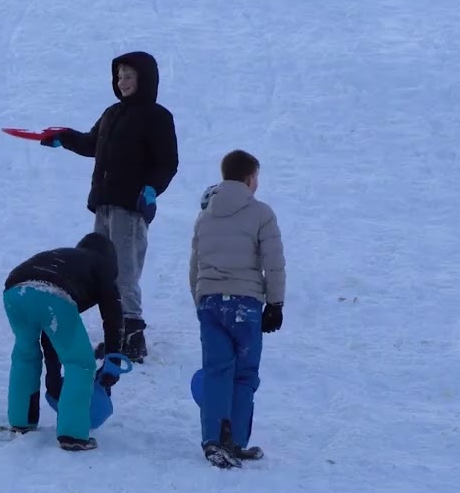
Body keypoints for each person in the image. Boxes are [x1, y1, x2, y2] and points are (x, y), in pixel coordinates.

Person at [40, 51, 179, 363]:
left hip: (130, 206)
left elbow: (167, 162)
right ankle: (116, 335)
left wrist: (152, 189)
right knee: (104, 269)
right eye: (119, 76)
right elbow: (92, 143)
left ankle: (133, 336)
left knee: (124, 270)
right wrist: (64, 137)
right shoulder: (111, 113)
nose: (122, 82)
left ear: (144, 79)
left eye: (129, 76)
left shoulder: (157, 116)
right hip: (103, 204)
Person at [188, 149, 287, 468]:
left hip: (211, 303)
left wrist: (200, 299)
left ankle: (213, 440)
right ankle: (235, 440)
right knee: (244, 374)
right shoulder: (261, 213)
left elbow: (195, 264)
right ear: (249, 178)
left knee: (216, 371)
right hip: (245, 304)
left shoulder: (205, 216)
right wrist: (275, 303)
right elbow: (273, 262)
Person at [2, 232, 126, 451]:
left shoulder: (70, 260)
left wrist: (53, 377)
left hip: (15, 291)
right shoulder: (102, 265)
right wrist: (113, 360)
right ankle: (73, 434)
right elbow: (113, 317)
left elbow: (52, 334)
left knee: (26, 355)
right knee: (80, 362)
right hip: (51, 292)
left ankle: (22, 420)